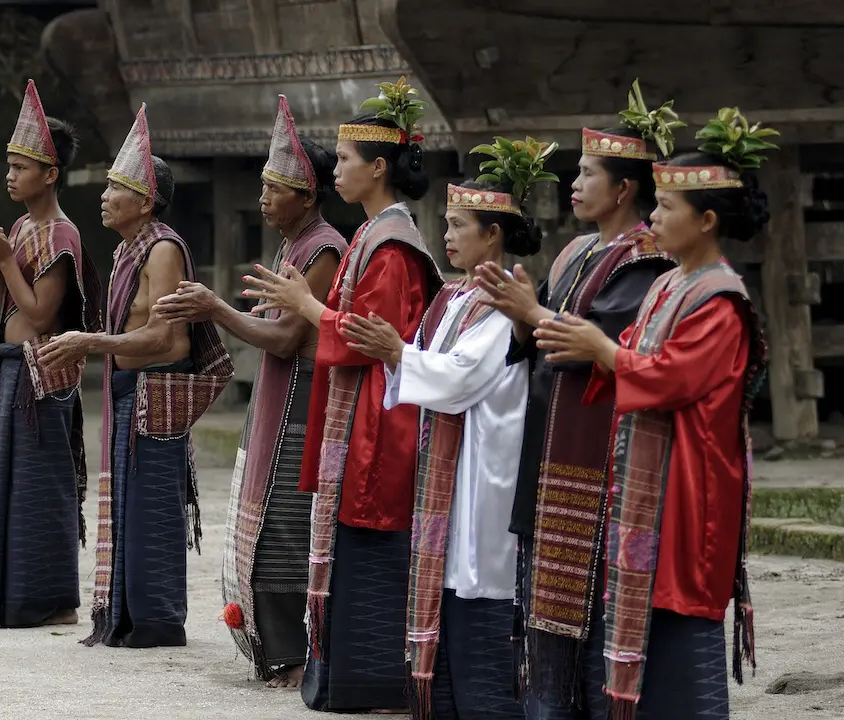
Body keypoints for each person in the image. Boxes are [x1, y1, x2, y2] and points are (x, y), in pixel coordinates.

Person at [532, 107, 774, 718]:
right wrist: (600, 350)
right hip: (652, 476)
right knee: (644, 608)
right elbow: (634, 354)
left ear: (707, 221)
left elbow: (670, 376)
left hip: (689, 481)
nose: (655, 217)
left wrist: (603, 350)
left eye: (666, 207)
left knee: (679, 612)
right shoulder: (670, 284)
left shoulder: (720, 298)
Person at [472, 81, 681, 719]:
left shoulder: (644, 260)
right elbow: (540, 343)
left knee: (588, 597)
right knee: (544, 593)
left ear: (623, 189)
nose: (575, 182)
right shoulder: (574, 251)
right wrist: (518, 318)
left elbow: (600, 344)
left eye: (588, 173)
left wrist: (531, 312)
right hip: (550, 440)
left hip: (596, 450)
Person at [240, 77, 444, 713]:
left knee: (370, 548)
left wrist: (305, 304)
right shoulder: (369, 235)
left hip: (380, 419)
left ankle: (369, 681)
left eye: (347, 158)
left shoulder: (392, 245)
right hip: (360, 413)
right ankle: (344, 678)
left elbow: (368, 339)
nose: (337, 169)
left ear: (378, 167)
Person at [342, 137, 556, 719]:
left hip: (485, 467)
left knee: (480, 583)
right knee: (450, 582)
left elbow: (462, 377)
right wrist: (399, 354)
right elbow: (430, 363)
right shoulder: (455, 295)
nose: (447, 234)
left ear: (493, 233)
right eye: (447, 223)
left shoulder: (504, 301)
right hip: (451, 464)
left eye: (459, 225)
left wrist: (398, 354)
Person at [154, 95, 348, 688]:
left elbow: (287, 338)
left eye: (274, 187)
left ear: (307, 197)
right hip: (277, 397)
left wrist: (215, 308)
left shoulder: (324, 248)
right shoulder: (294, 245)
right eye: (261, 185)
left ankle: (297, 653)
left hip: (302, 401)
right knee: (262, 521)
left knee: (284, 527)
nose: (263, 197)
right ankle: (278, 649)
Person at [38, 104, 235, 649]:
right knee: (128, 506)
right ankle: (131, 619)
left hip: (155, 396)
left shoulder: (163, 249)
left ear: (145, 202)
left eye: (116, 188)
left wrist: (91, 342)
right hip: (129, 392)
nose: (104, 196)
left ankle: (158, 621)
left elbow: (168, 340)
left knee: (152, 510)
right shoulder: (129, 249)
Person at [0, 80, 103, 629]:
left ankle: (52, 600)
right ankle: (19, 595)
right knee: (12, 482)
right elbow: (6, 305)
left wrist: (6, 260)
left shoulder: (62, 235)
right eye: (8, 167)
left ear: (51, 174)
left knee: (43, 486)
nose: (10, 176)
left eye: (21, 167)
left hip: (43, 374)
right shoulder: (20, 227)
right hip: (14, 365)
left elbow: (39, 315)